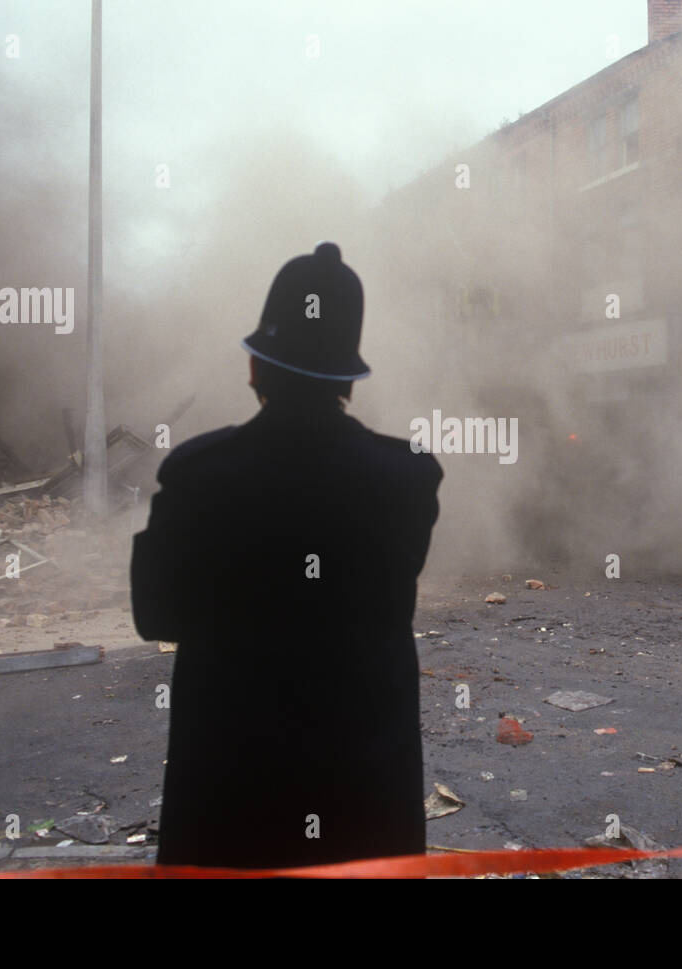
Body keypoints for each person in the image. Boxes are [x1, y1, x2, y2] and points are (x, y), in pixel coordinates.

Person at [130, 242, 443, 870]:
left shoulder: (199, 474)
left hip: (230, 799)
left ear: (256, 369)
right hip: (363, 798)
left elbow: (155, 616)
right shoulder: (407, 477)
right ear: (350, 378)